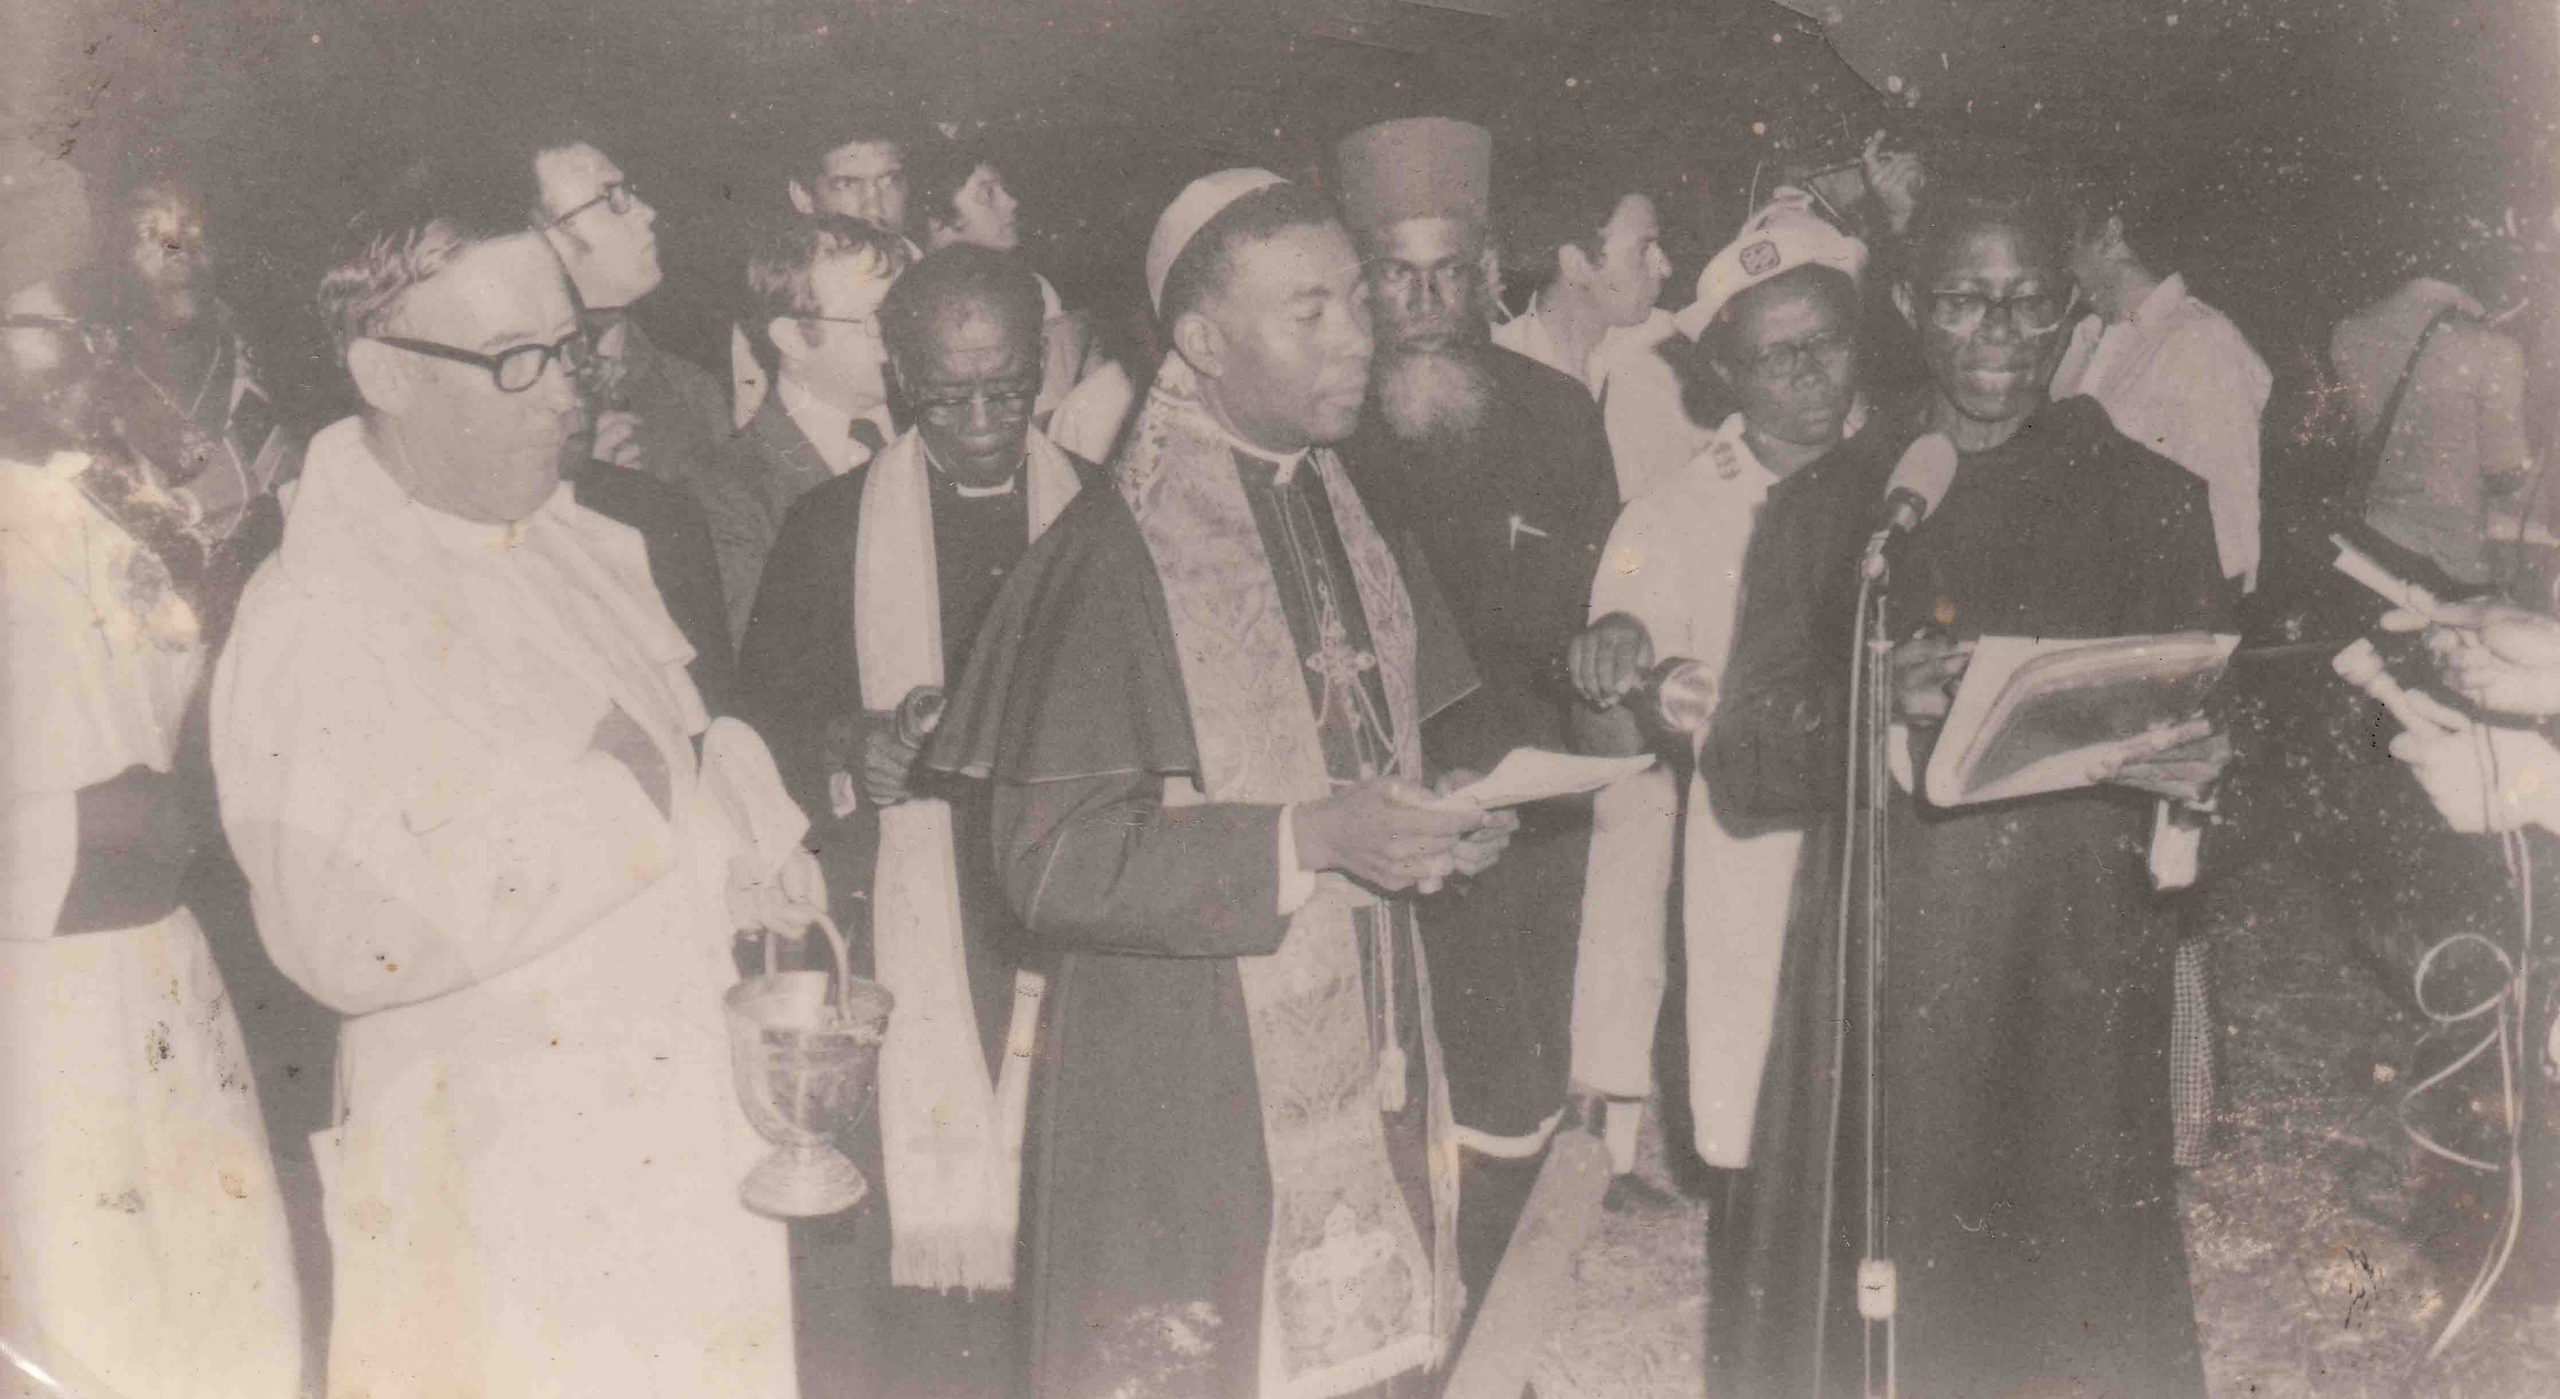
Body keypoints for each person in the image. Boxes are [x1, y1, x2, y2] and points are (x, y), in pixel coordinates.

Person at [211, 160, 820, 1398]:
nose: (565, 398)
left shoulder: (562, 534)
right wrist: (625, 805)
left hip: (677, 1147)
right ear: (383, 371)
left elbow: (675, 748)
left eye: (567, 347)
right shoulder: (315, 610)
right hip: (505, 1197)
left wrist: (743, 834)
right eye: (514, 363)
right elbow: (345, 938)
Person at [924, 170, 1514, 1399]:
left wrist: (1444, 817)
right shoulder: (1107, 558)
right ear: (1199, 344)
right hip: (1190, 1088)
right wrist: (1308, 839)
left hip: (1367, 1045)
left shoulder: (1343, 506)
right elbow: (1051, 862)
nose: (1361, 333)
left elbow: (1382, 748)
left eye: (1355, 298)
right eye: (1312, 312)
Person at [1702, 175, 2230, 1398]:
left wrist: (2200, 781)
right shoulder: (1835, 509)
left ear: (2068, 314)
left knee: (2068, 1299)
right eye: (1961, 302)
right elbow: (1741, 760)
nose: (1996, 337)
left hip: (2074, 962)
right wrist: (1870, 703)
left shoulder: (2152, 505)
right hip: (1890, 969)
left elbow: (2219, 760)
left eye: (2028, 304)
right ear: (1906, 307)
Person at [737, 245, 1098, 1398]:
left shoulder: (1108, 509)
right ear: (898, 381)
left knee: (1065, 1234)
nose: (987, 422)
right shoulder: (828, 527)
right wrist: (854, 746)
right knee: (918, 1300)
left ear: (1044, 368)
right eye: (951, 397)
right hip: (909, 926)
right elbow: (762, 737)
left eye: (1010, 391)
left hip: (1070, 923)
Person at [2, 157, 303, 1399]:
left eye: (87, 319)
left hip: (160, 969)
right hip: (39, 1002)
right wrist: (109, 828)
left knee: (223, 1313)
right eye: (37, 325)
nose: (80, 350)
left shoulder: (103, 506)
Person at [1331, 116, 1618, 1303]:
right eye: (1396, 274)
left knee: (1518, 1089)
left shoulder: (1558, 414)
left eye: (1452, 272)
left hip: (1527, 810)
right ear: (1358, 279)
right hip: (1374, 809)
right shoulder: (1323, 423)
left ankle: (1497, 1334)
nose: (1427, 300)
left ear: (1490, 271)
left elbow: (1601, 606)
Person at [1563, 193, 1870, 1187]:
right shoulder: (1675, 513)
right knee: (1767, 1096)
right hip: (1761, 847)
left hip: (1900, 835)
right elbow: (1629, 650)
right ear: (1726, 375)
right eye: (1774, 354)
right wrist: (1623, 647)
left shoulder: (1911, 474)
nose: (1806, 371)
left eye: (1824, 340)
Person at [2056, 161, 2275, 1168]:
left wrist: (2184, 681)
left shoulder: (2205, 348)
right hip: (2075, 659)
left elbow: (2230, 541)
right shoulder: (2087, 343)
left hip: (2162, 659)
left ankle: (2176, 1132)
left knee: (2166, 887)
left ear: (2105, 229)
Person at [698, 213, 909, 644]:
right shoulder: (729, 493)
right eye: (875, 321)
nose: (903, 338)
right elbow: (762, 666)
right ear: (792, 339)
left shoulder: (938, 431)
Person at [519, 126, 733, 500]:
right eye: (610, 197)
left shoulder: (695, 393)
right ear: (541, 237)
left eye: (627, 191)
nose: (646, 213)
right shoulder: (511, 399)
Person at [90, 169, 295, 540]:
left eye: (193, 229)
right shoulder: (92, 370)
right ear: (114, 261)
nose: (177, 248)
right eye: (147, 234)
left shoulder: (270, 358)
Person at [1492, 159, 1693, 501]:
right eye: (1644, 250)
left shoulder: (1669, 344)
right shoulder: (1500, 371)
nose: (1665, 267)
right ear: (1577, 264)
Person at [2331, 251, 2530, 592]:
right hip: (2447, 555)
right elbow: (2505, 470)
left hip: (2370, 541)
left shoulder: (2349, 331)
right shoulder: (2493, 349)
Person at [909, 134, 1094, 422]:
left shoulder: (1036, 289)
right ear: (937, 218)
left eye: (1003, 189)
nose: (1010, 202)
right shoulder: (905, 297)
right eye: (987, 193)